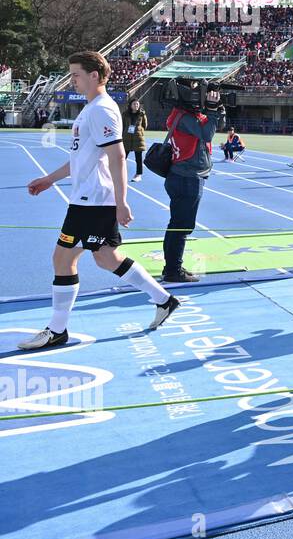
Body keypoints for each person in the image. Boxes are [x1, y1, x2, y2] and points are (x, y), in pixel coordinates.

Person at [21, 51, 180, 350]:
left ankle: (57, 330)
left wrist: (122, 201)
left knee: (63, 258)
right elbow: (81, 157)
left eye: (77, 74)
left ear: (95, 75)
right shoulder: (90, 109)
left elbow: (118, 155)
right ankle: (164, 300)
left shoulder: (102, 110)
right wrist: (48, 180)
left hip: (93, 201)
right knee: (106, 257)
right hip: (87, 199)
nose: (73, 80)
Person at [162, 79, 220, 283]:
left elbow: (207, 127)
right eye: (197, 91)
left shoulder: (182, 114)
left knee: (178, 225)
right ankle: (172, 270)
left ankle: (172, 266)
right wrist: (212, 111)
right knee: (181, 226)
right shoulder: (185, 117)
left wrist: (215, 111)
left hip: (182, 175)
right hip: (187, 178)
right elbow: (207, 134)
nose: (202, 95)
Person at [123, 98, 147, 181]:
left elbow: (145, 125)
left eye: (137, 104)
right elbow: (122, 125)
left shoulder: (142, 114)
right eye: (134, 104)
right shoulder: (125, 114)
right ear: (130, 105)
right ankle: (120, 174)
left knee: (138, 158)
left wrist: (139, 131)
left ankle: (138, 175)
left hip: (138, 138)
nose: (136, 105)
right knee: (122, 157)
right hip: (126, 138)